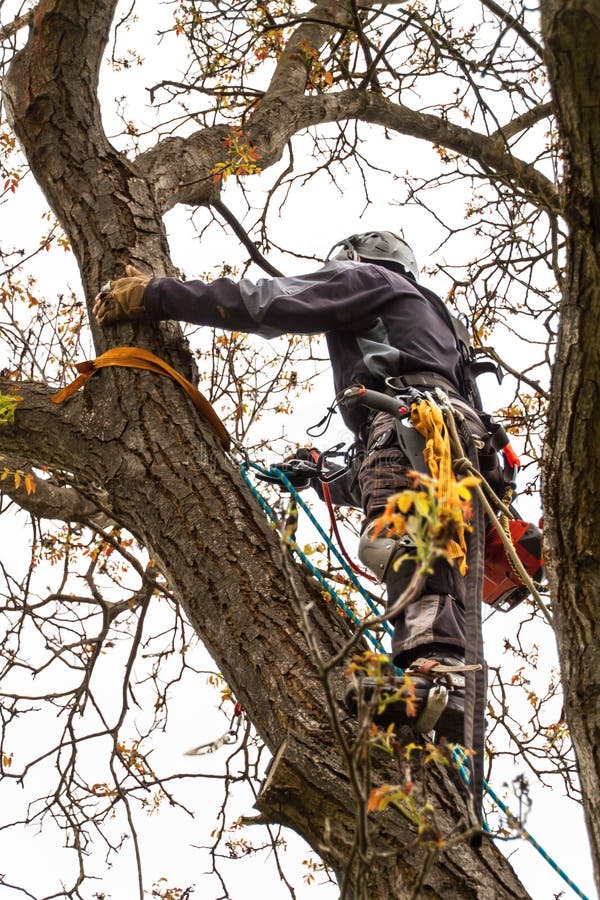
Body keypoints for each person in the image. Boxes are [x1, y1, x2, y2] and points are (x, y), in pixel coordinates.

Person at [94, 231, 491, 745]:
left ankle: (440, 677)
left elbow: (270, 301)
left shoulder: (370, 279)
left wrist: (157, 295)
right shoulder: (443, 328)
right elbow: (385, 467)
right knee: (422, 546)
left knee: (397, 543)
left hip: (413, 423)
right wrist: (324, 476)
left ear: (356, 257)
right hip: (451, 442)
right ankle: (441, 688)